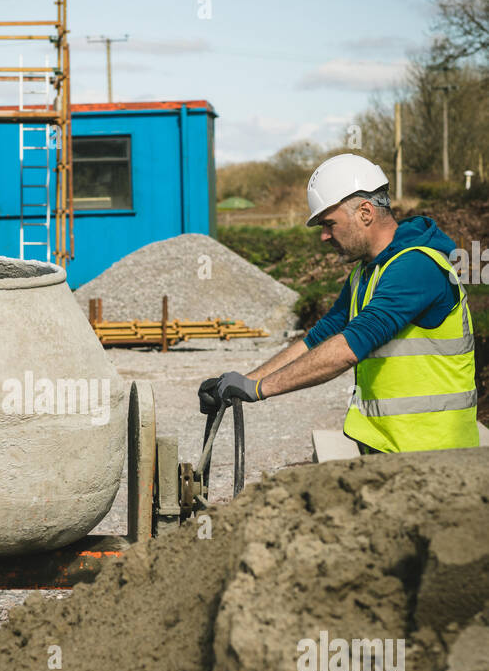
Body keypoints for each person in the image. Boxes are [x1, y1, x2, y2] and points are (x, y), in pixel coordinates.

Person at [199, 153, 479, 453]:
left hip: (436, 454)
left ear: (365, 212)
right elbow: (319, 338)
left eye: (329, 223)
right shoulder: (367, 272)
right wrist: (243, 382)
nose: (323, 236)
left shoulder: (416, 267)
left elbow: (348, 347)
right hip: (392, 449)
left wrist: (260, 389)